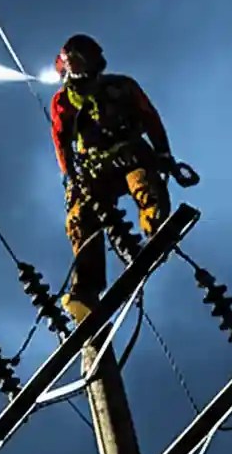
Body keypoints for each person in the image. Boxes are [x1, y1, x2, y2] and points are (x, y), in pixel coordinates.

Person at [50, 34, 175, 323]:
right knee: (81, 216)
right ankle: (85, 289)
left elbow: (149, 117)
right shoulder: (63, 102)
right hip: (94, 171)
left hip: (130, 155)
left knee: (144, 184)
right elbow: (61, 141)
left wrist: (164, 154)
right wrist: (71, 176)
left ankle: (155, 230)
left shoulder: (122, 87)